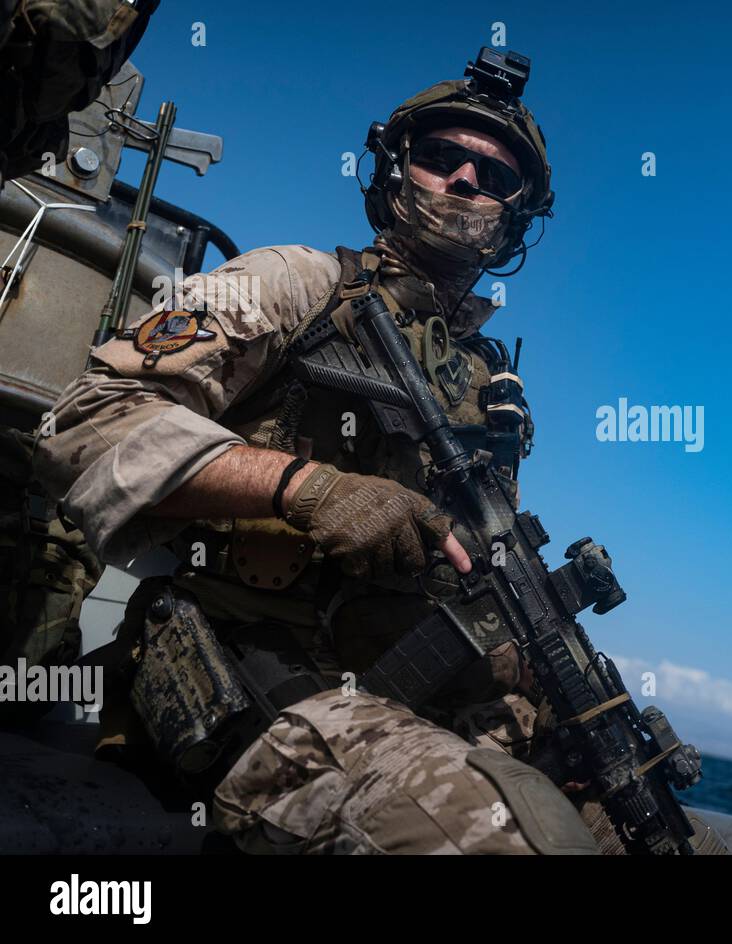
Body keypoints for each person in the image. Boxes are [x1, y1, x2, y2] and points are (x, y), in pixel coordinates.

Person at [32, 49, 611, 855]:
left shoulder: (487, 379)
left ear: (516, 215)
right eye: (441, 159)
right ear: (395, 172)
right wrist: (307, 488)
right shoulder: (296, 285)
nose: (465, 181)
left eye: (493, 176)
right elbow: (91, 418)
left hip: (417, 704)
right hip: (255, 674)